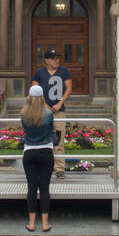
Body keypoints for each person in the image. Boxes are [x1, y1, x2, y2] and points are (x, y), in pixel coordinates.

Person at [19, 83, 56, 232]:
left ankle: (32, 223)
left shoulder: (24, 114)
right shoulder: (48, 114)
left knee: (32, 188)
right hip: (46, 151)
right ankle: (45, 224)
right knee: (45, 188)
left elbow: (25, 130)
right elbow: (51, 129)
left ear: (29, 97)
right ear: (42, 97)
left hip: (29, 152)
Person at [33, 46, 72, 175]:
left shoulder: (64, 71)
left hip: (59, 111)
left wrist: (60, 103)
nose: (56, 61)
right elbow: (35, 90)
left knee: (59, 141)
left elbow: (68, 88)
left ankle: (59, 169)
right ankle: (44, 168)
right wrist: (43, 104)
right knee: (42, 140)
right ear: (46, 60)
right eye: (53, 59)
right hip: (42, 112)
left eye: (57, 58)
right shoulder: (39, 73)